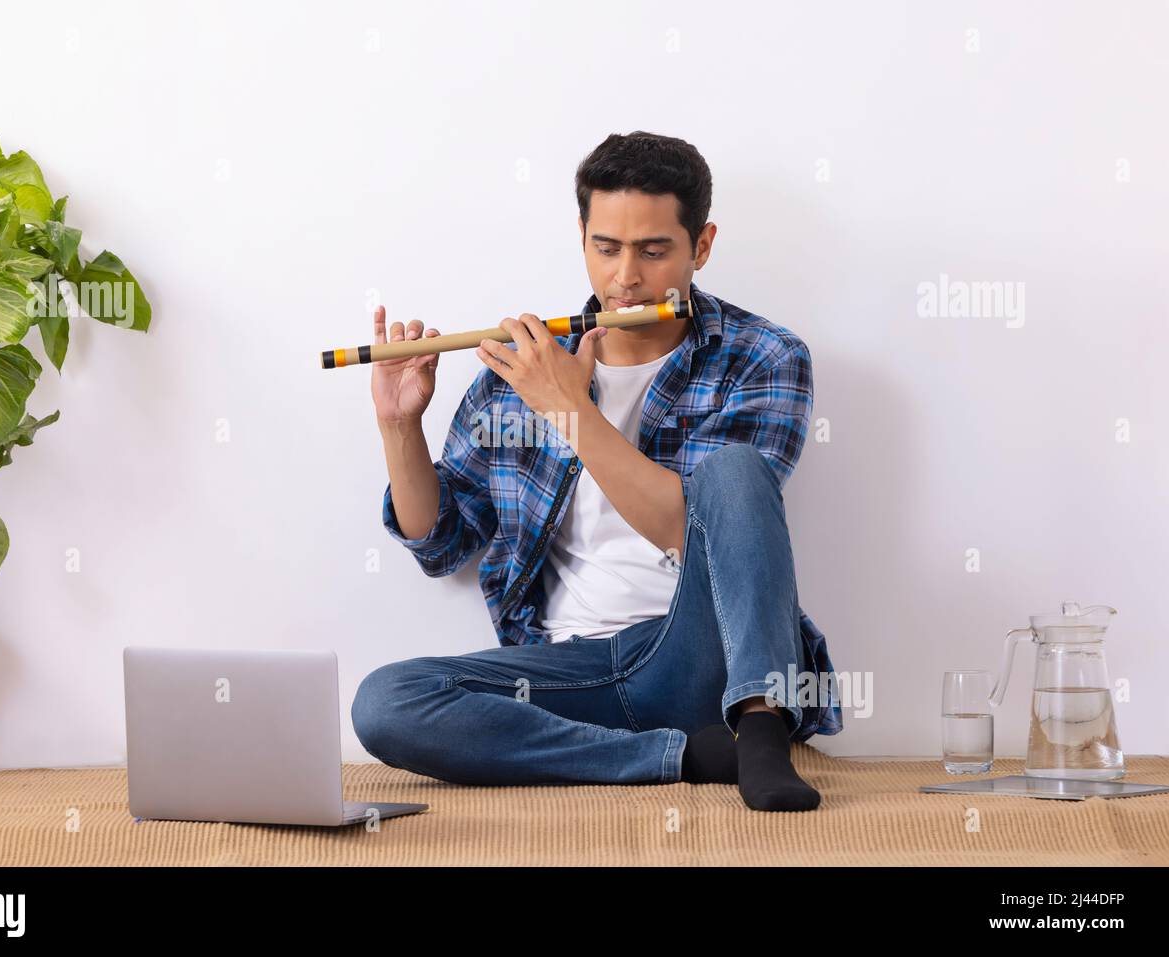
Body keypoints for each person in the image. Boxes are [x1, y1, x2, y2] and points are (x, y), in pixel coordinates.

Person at [353, 131, 842, 812]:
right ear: (581, 235)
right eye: (605, 248)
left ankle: (761, 728)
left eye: (653, 250)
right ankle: (684, 757)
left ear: (701, 246)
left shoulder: (762, 356)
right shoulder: (519, 370)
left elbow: (691, 528)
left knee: (733, 471)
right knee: (385, 701)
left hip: (699, 653)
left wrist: (569, 410)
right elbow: (441, 546)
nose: (625, 278)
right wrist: (400, 426)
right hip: (572, 668)